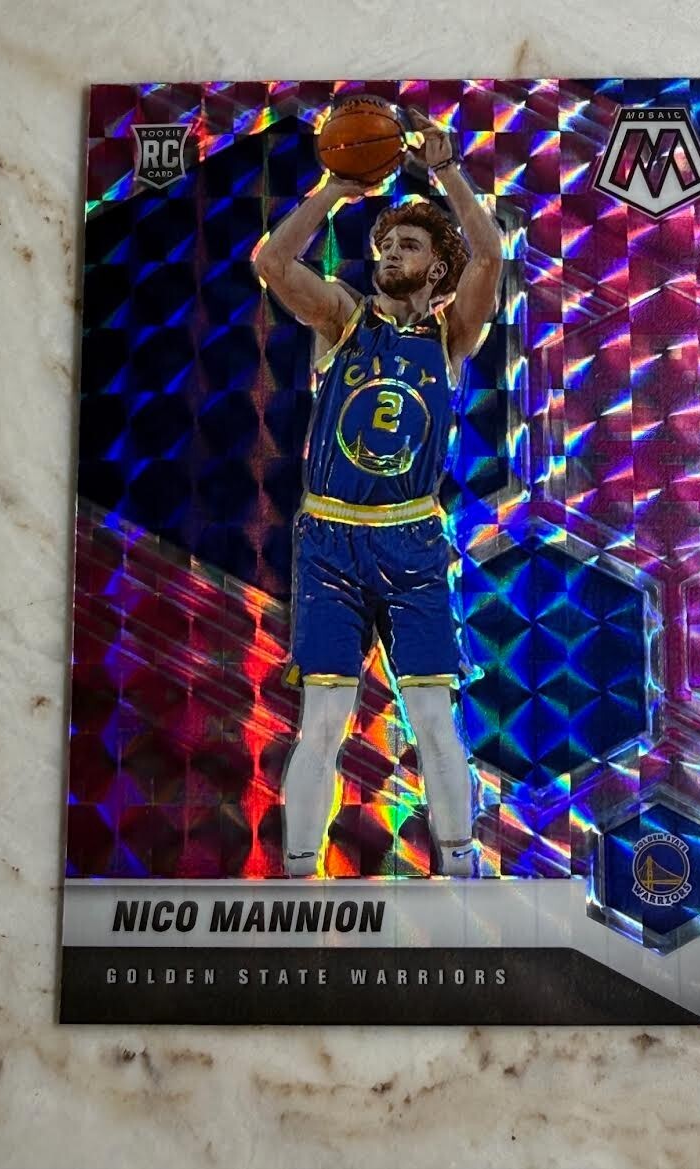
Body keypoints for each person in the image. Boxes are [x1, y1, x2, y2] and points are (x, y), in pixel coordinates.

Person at [252, 109, 503, 877]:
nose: (391, 252)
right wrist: (334, 188)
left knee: (432, 715)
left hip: (412, 539)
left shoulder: (450, 335)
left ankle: (459, 866)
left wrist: (447, 170)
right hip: (330, 539)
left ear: (436, 270)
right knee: (324, 717)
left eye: (409, 245)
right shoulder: (341, 317)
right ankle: (298, 875)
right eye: (386, 244)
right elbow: (271, 259)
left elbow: (488, 254)